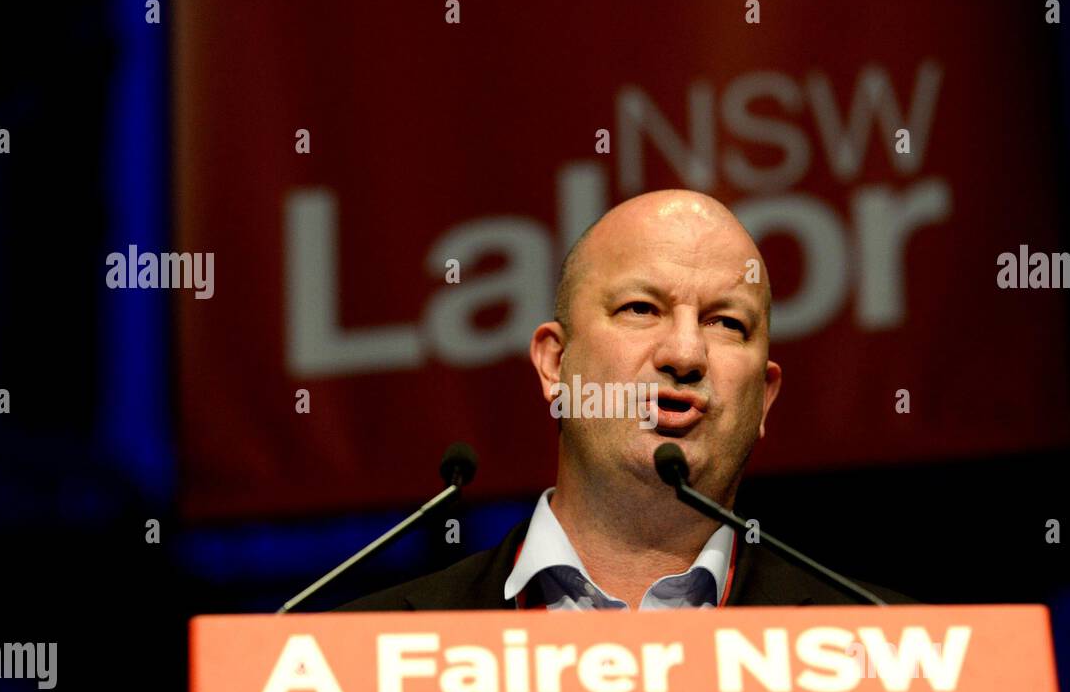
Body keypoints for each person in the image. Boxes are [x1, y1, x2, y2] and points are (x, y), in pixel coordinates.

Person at [337, 189, 909, 612]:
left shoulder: (884, 647)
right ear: (556, 365)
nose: (685, 354)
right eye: (640, 309)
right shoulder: (367, 649)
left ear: (763, 398)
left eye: (727, 322)